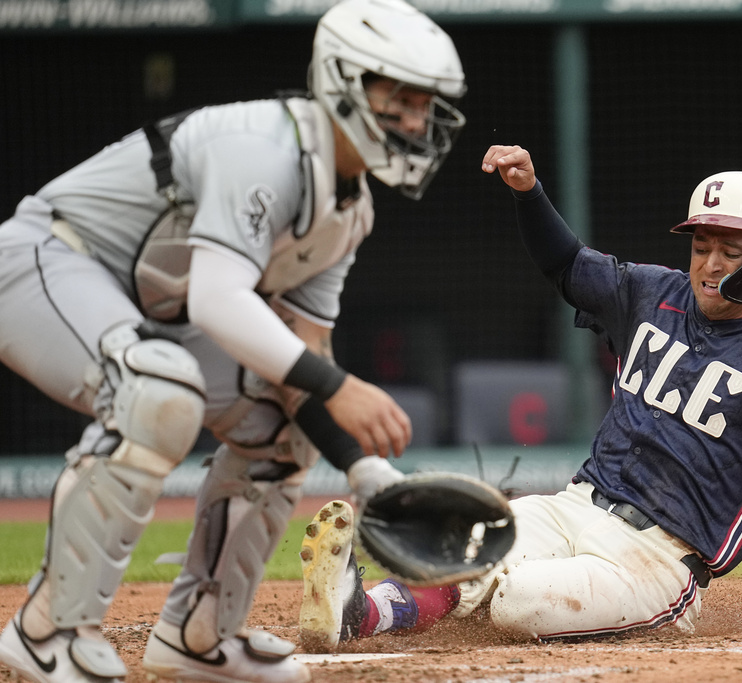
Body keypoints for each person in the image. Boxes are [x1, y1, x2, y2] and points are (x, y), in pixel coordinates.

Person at [0, 1, 465, 681]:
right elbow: (219, 301)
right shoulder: (266, 146)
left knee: (282, 424)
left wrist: (365, 471)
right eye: (400, 98)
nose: (416, 122)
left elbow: (299, 361)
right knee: (157, 390)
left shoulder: (350, 208)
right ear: (343, 79)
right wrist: (342, 388)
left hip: (145, 307)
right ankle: (46, 632)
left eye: (425, 106)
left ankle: (198, 637)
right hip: (42, 260)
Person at [297, 144, 742, 648]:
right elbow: (566, 265)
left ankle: (498, 587)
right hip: (575, 505)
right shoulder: (652, 292)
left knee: (521, 599)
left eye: (729, 250)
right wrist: (528, 192)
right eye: (702, 246)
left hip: (659, 557)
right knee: (469, 544)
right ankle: (356, 613)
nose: (709, 263)